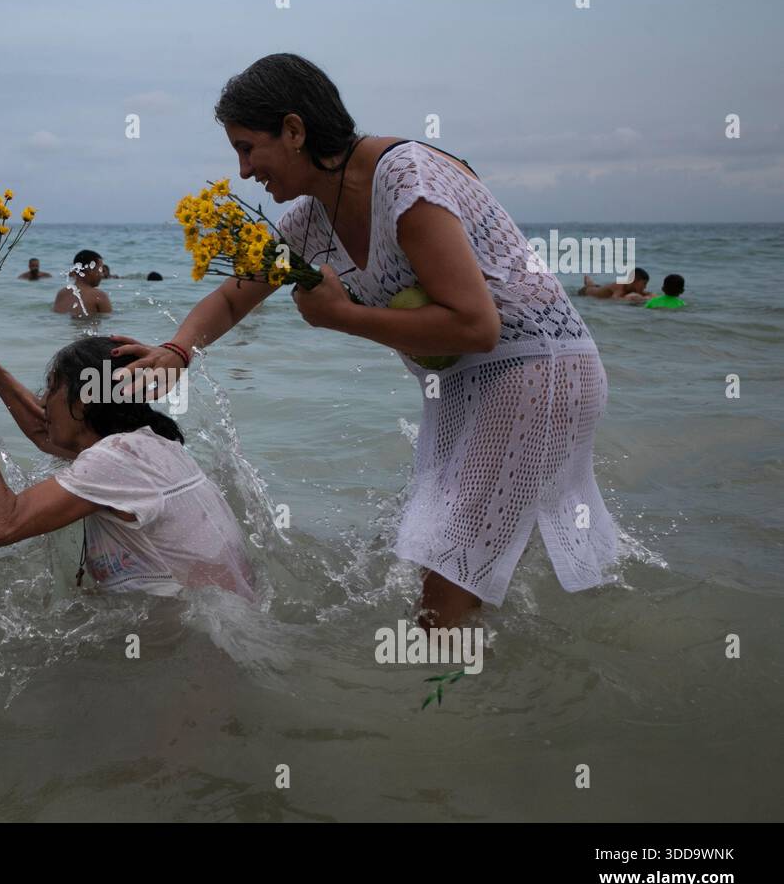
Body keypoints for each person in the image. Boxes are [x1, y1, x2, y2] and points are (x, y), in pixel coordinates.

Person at [112, 53, 617, 628]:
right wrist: (177, 350)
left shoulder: (406, 179)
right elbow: (233, 297)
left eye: (248, 147)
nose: (245, 171)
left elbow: (477, 325)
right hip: (465, 384)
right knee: (458, 561)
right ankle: (511, 678)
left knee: (444, 580)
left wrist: (341, 317)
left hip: (533, 371)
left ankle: (440, 702)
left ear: (296, 131)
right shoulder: (309, 223)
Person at [0, 311, 255, 601]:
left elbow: (0, 526)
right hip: (221, 626)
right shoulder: (152, 444)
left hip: (190, 639)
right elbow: (42, 429)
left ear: (84, 400)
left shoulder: (116, 459)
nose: (44, 400)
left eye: (51, 387)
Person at [52, 249, 112, 316]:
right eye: (101, 269)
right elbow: (109, 322)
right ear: (90, 269)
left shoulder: (61, 293)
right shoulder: (99, 296)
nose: (102, 274)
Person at [579, 267, 651, 301]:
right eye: (644, 284)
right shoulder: (620, 286)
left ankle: (589, 281)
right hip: (586, 292)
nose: (645, 287)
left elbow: (649, 295)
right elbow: (613, 300)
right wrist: (630, 299)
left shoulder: (632, 288)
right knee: (591, 286)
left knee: (594, 285)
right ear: (635, 281)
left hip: (599, 288)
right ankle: (588, 281)